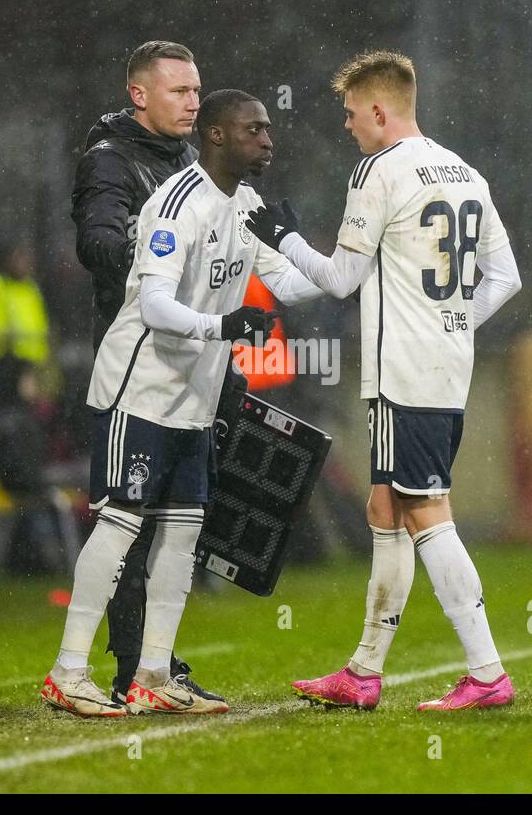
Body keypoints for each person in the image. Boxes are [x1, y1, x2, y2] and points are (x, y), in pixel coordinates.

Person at [246, 51, 524, 711]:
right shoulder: (464, 171)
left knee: (426, 510)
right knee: (386, 507)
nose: (346, 127)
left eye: (349, 114)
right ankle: (364, 671)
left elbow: (341, 279)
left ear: (378, 110)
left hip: (404, 372)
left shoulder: (378, 171)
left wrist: (282, 238)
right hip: (440, 366)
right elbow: (506, 278)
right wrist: (452, 326)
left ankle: (487, 675)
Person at [40, 89, 323, 716]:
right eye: (256, 130)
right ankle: (68, 672)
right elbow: (154, 307)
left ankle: (153, 674)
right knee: (119, 525)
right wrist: (226, 328)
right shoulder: (175, 206)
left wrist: (327, 255)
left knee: (182, 535)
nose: (269, 142)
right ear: (218, 137)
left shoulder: (246, 205)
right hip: (139, 387)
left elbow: (293, 284)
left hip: (193, 397)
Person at [71, 40, 225, 703]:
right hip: (136, 363)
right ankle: (120, 666)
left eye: (196, 91)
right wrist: (156, 244)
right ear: (139, 94)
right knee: (127, 520)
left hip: (189, 365)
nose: (193, 102)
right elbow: (97, 245)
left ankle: (157, 669)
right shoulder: (109, 161)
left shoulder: (190, 160)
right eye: (178, 91)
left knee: (179, 521)